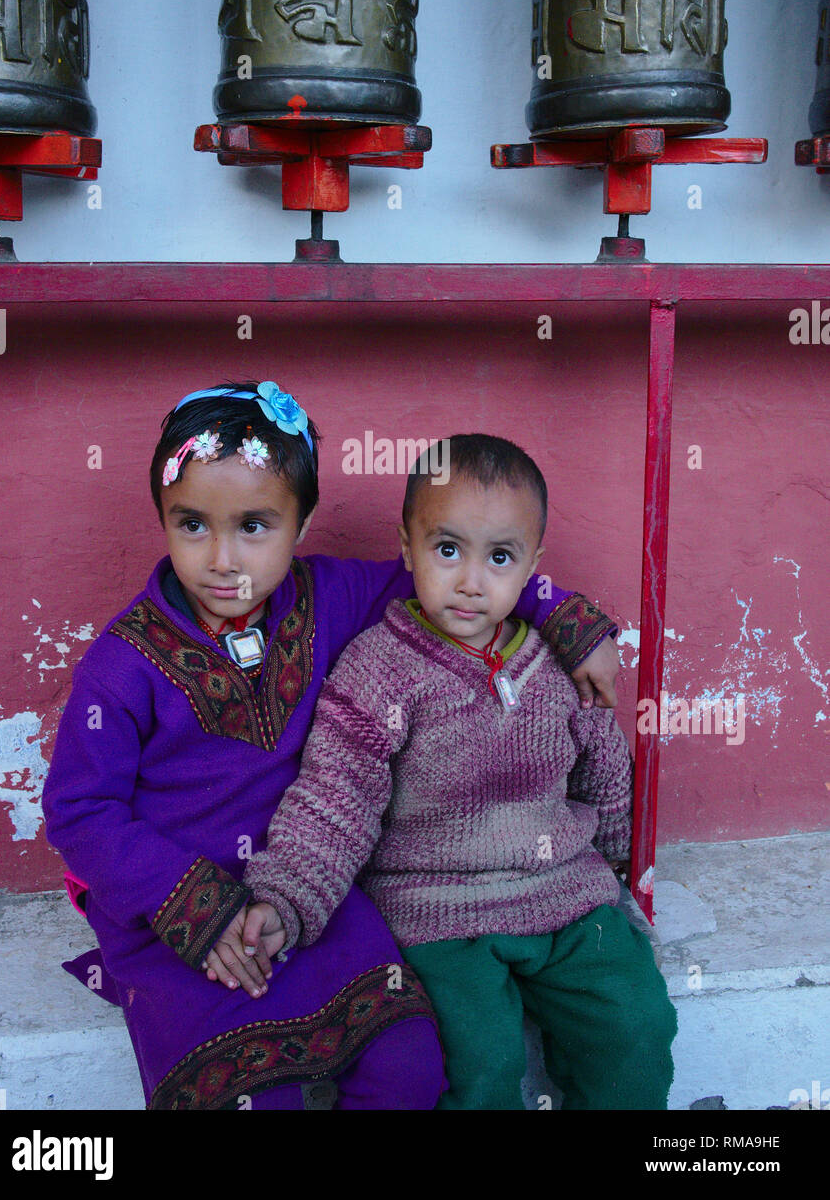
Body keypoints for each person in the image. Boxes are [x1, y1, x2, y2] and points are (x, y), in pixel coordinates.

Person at [42, 384, 621, 1111]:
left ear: (302, 522)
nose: (222, 558)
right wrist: (195, 907)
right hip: (176, 911)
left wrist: (570, 623)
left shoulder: (331, 598)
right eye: (192, 524)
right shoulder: (121, 665)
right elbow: (78, 811)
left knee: (409, 1067)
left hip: (313, 883)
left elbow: (461, 582)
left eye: (254, 525)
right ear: (163, 520)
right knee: (248, 1096)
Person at [237, 433, 678, 1110]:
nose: (472, 582)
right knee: (477, 1060)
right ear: (408, 547)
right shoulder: (379, 670)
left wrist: (622, 868)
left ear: (533, 564)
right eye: (448, 550)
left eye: (500, 557)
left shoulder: (560, 664)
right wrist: (286, 900)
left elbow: (605, 774)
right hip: (436, 913)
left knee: (636, 1024)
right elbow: (334, 800)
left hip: (564, 891)